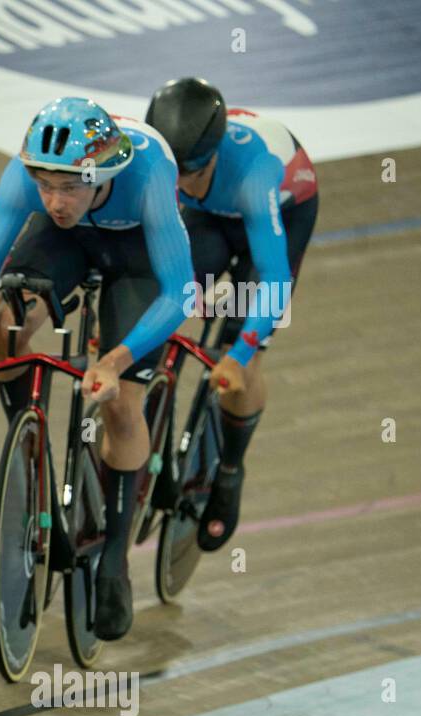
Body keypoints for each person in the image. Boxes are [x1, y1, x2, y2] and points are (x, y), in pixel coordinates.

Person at [0, 97, 193, 640]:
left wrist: (115, 360)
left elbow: (179, 293)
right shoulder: (26, 181)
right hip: (69, 244)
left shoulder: (147, 171)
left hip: (137, 257)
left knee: (121, 402)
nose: (54, 199)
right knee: (8, 315)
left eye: (69, 186)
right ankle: (27, 453)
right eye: (44, 184)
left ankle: (116, 562)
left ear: (101, 175)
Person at [145, 77, 319, 551]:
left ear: (211, 159)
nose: (175, 186)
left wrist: (242, 351)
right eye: (170, 174)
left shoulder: (255, 172)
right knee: (172, 287)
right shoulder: (175, 169)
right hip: (210, 215)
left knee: (245, 341)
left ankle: (229, 469)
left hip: (277, 217)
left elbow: (274, 276)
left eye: (187, 175)